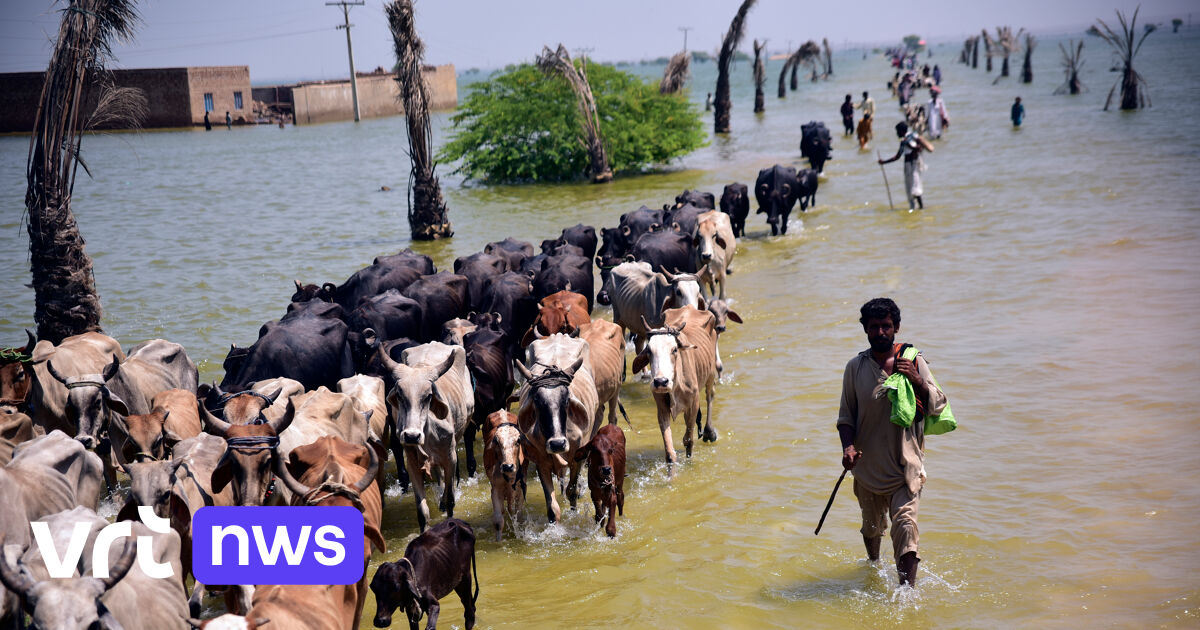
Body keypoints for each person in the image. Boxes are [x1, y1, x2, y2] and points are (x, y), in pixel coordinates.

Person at [837, 298, 947, 587]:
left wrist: (918, 382)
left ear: (896, 327)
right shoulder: (855, 368)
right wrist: (848, 448)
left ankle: (906, 595)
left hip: (905, 467)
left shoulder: (913, 362)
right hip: (868, 468)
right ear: (866, 330)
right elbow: (846, 417)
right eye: (874, 327)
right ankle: (873, 568)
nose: (881, 332)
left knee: (906, 527)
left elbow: (938, 404)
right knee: (872, 530)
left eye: (887, 326)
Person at [878, 121, 935, 210]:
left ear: (901, 131)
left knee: (913, 188)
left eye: (897, 131)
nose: (897, 134)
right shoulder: (913, 137)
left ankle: (920, 207)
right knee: (913, 187)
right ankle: (916, 208)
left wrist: (884, 162)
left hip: (912, 165)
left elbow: (897, 157)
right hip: (913, 165)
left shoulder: (905, 141)